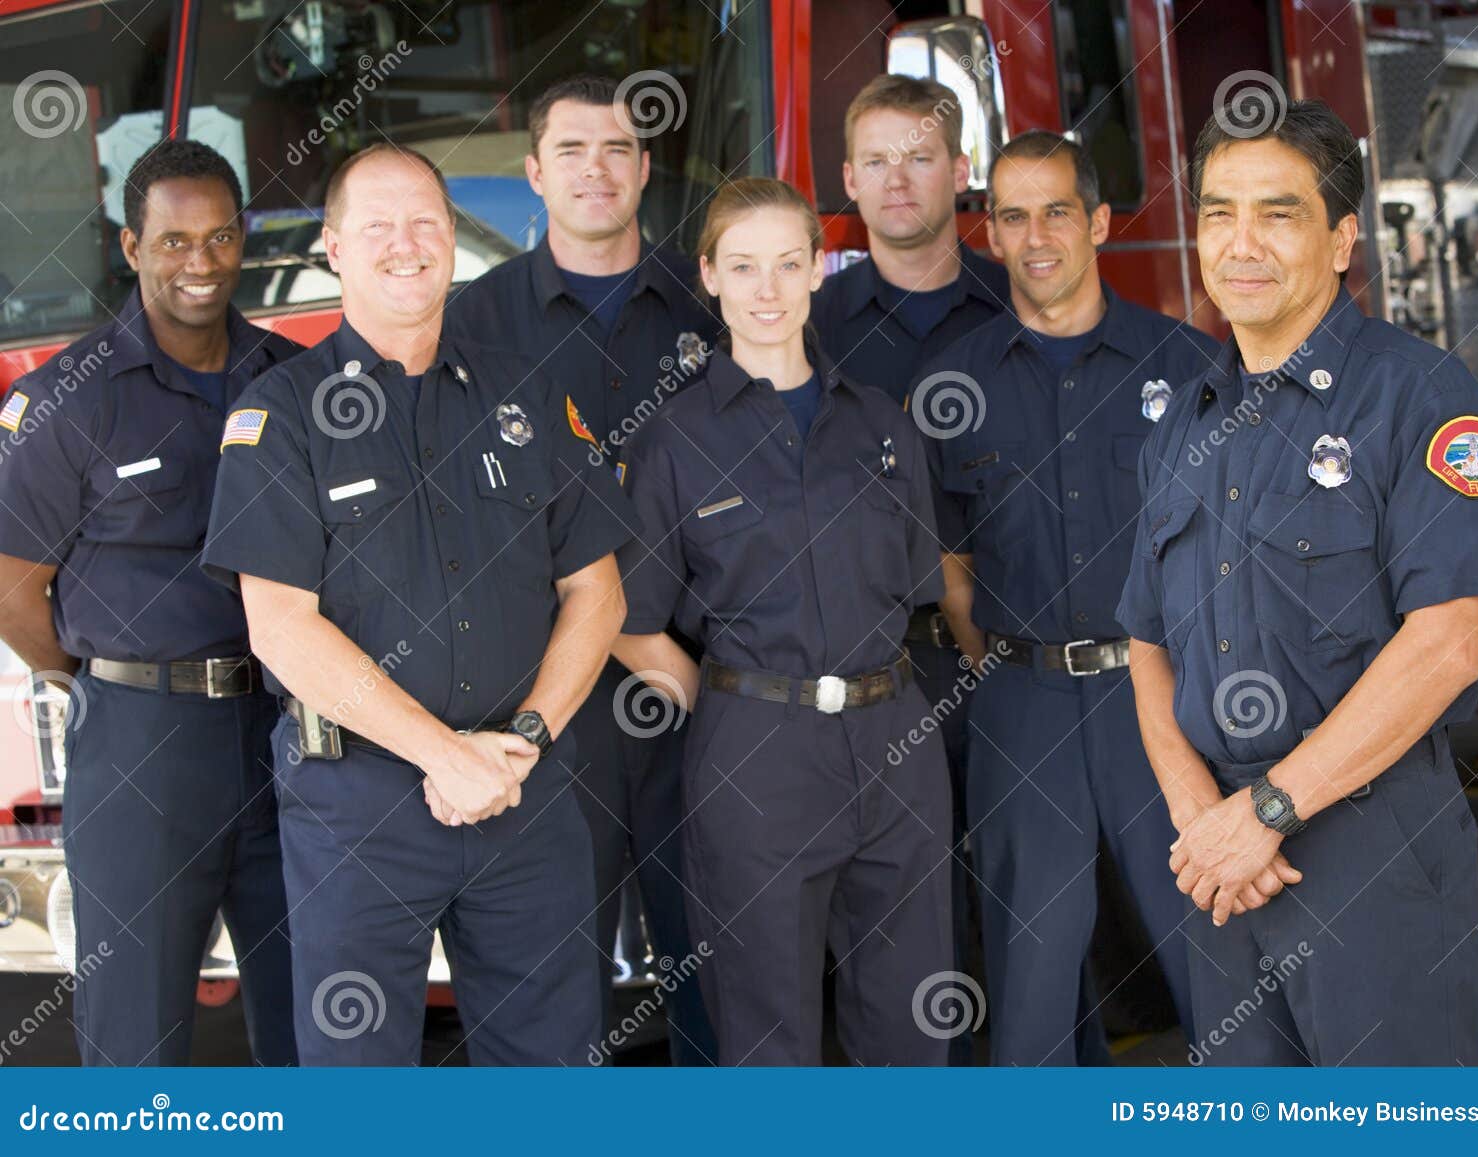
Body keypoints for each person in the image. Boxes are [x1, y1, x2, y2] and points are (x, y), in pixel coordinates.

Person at [1117, 100, 1478, 1064]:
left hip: (1368, 848)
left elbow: (1449, 644)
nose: (1241, 242)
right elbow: (1146, 645)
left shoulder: (1419, 396)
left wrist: (1269, 810)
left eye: (1279, 212)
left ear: (1344, 237)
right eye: (1219, 212)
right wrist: (1201, 816)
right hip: (1224, 871)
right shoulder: (1182, 424)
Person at [202, 143, 637, 1065]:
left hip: (526, 789)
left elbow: (596, 593)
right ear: (333, 248)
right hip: (356, 811)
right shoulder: (279, 413)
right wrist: (445, 756)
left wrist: (521, 742)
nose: (406, 244)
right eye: (377, 226)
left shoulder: (528, 391)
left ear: (452, 240)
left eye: (425, 223)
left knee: (553, 1076)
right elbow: (280, 624)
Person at [612, 177, 953, 1065]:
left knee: (913, 1018)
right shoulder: (672, 440)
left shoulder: (882, 425)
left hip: (894, 740)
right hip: (756, 753)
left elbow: (921, 589)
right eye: (744, 266)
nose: (767, 290)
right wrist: (730, 701)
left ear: (816, 274)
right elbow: (627, 615)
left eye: (788, 265)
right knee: (768, 1029)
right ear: (710, 277)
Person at [0, 140, 298, 1066]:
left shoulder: (293, 381)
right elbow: (13, 586)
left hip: (292, 731)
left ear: (243, 241)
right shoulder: (66, 403)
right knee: (137, 1036)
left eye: (217, 238)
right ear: (130, 246)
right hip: (142, 744)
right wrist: (97, 686)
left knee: (320, 1021)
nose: (198, 263)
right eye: (173, 242)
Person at [927, 130, 1219, 1065]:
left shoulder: (1188, 365)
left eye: (1057, 209)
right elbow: (953, 572)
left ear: (1097, 220)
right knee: (1031, 984)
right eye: (1013, 215)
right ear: (991, 233)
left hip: (1168, 697)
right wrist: (1013, 672)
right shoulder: (954, 385)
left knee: (1216, 957)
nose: (1036, 234)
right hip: (1025, 706)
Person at [443, 75, 717, 1062]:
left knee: (715, 968)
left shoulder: (711, 301)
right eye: (570, 150)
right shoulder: (472, 322)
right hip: (544, 704)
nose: (595, 169)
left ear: (645, 169)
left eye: (616, 149)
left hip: (699, 690)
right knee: (547, 989)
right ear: (532, 173)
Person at [811, 78, 1011, 1060]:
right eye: (877, 160)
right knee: (881, 941)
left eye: (921, 155)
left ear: (961, 172)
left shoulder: (1023, 308)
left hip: (1007, 668)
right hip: (867, 675)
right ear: (847, 179)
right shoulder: (808, 329)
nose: (898, 179)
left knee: (1021, 923)